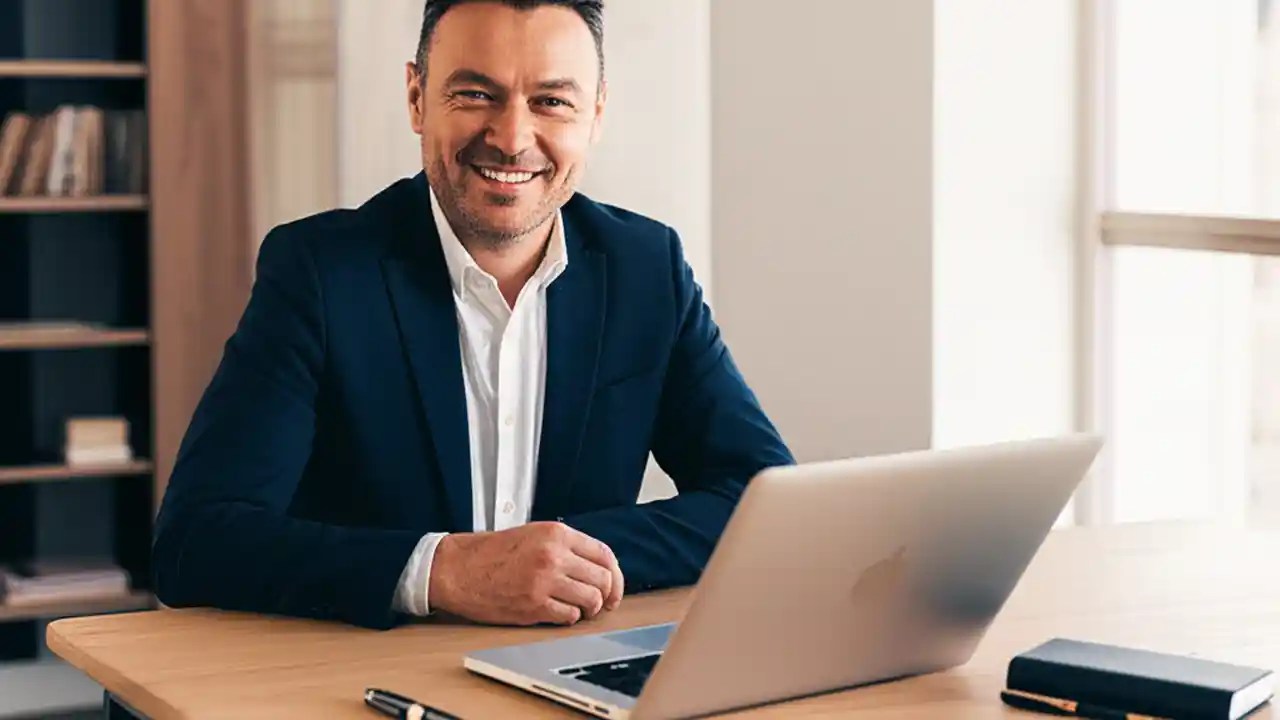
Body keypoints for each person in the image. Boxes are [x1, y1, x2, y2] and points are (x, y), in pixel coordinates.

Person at [151, 0, 793, 631]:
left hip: (564, 671)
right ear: (416, 99)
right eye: (476, 95)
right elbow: (196, 541)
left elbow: (765, 504)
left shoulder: (648, 269)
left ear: (595, 113)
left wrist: (563, 560)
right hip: (366, 680)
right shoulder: (319, 272)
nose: (512, 139)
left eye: (551, 101)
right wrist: (443, 571)